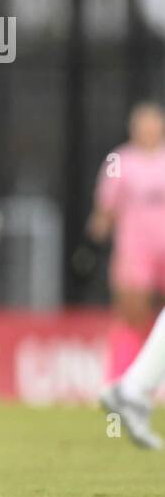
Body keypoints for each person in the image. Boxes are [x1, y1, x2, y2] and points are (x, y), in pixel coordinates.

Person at [91, 102, 165, 448]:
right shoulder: (120, 161)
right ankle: (124, 384)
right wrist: (91, 248)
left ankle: (131, 389)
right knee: (133, 317)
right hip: (135, 252)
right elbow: (104, 211)